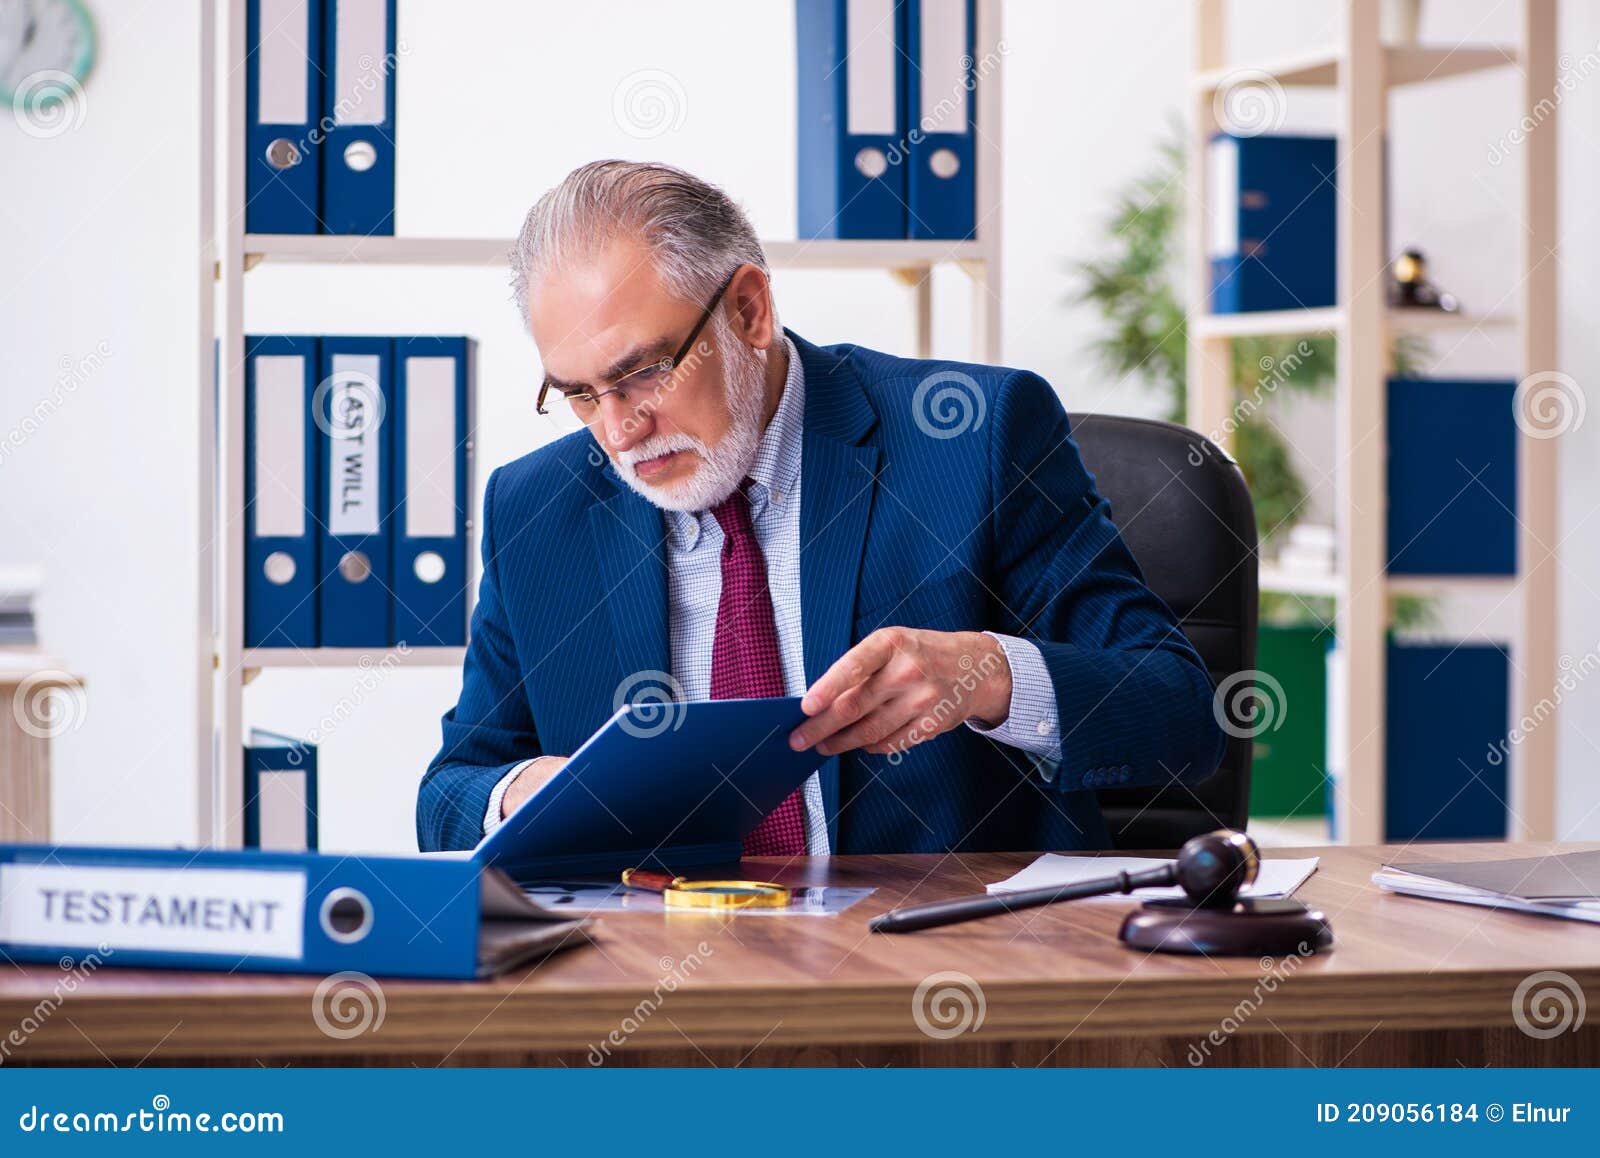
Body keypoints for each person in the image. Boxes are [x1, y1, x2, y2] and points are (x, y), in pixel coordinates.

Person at [416, 160, 1223, 856]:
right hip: (655, 965)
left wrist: (988, 674)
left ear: (749, 311)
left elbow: (1183, 714)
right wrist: (528, 793)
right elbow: (449, 794)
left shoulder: (974, 438)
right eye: (580, 394)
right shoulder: (536, 510)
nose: (621, 430)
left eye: (646, 372)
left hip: (929, 959)